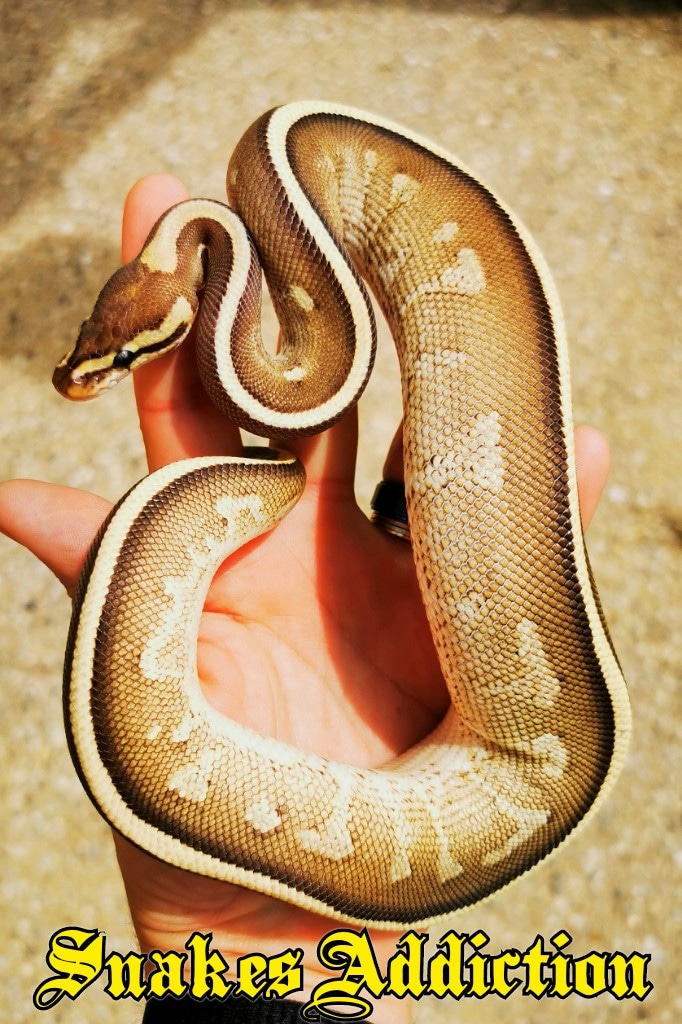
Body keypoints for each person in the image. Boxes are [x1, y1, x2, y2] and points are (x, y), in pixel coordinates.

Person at [0, 175, 611, 1023]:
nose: (94, 373)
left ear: (181, 322)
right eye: (102, 352)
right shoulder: (229, 278)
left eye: (125, 355)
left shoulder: (275, 203)